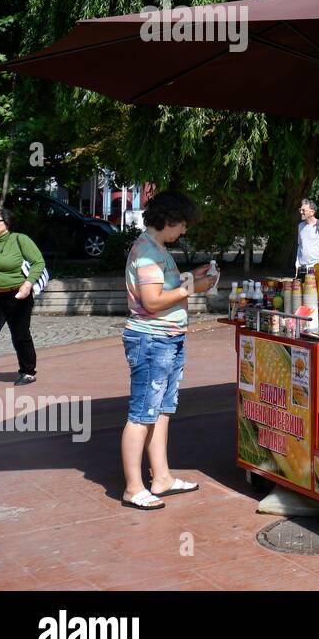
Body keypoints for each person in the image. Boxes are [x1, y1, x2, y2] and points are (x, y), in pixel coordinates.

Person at [121, 191, 211, 510]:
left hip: (166, 338)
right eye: (183, 224)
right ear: (170, 220)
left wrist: (192, 277)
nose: (184, 231)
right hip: (152, 340)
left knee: (161, 410)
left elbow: (164, 288)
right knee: (142, 413)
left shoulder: (157, 249)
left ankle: (161, 478)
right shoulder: (147, 252)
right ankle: (133, 487)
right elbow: (153, 300)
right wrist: (192, 288)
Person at [0, 208, 46, 386]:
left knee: (20, 335)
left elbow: (38, 262)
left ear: (6, 223)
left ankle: (28, 371)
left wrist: (28, 284)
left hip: (17, 295)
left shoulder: (20, 239)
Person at [295, 199, 319, 276]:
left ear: (312, 212)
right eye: (300, 210)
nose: (301, 212)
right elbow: (300, 246)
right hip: (302, 269)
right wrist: (297, 264)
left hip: (316, 269)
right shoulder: (300, 226)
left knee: (315, 288)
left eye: (303, 210)